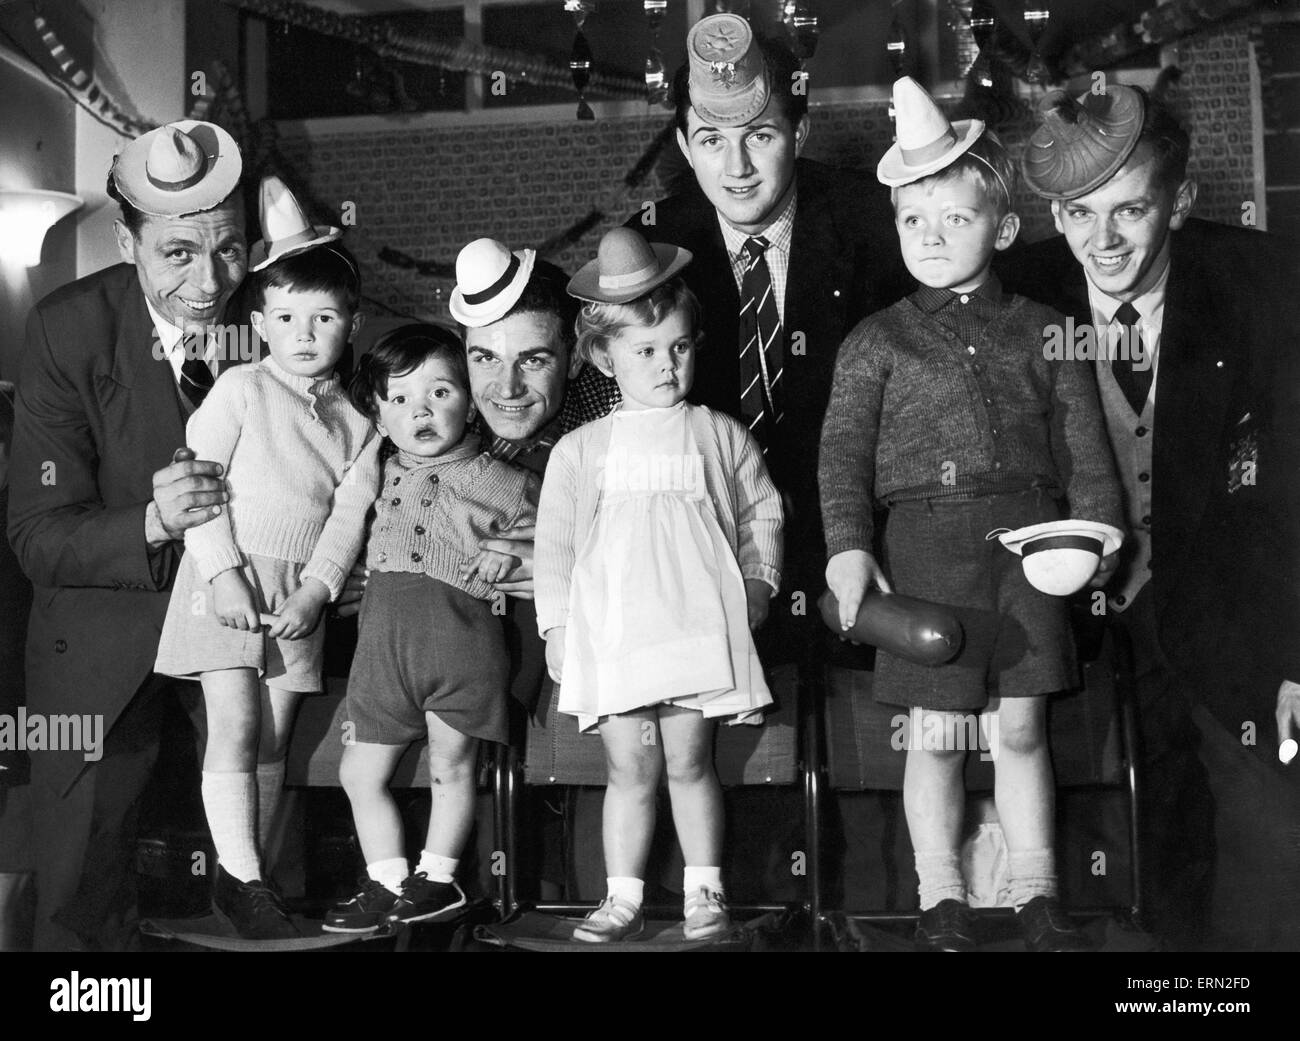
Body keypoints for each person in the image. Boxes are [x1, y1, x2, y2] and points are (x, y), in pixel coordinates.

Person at [819, 79, 1124, 952]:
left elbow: (1083, 448)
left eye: (954, 220)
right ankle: (941, 892)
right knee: (940, 733)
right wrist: (847, 551)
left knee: (1024, 727)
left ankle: (1035, 890)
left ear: (1002, 227)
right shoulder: (874, 340)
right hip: (924, 552)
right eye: (915, 222)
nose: (931, 238)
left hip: (1032, 547)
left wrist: (1098, 529)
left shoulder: (1051, 327)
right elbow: (840, 457)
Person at [1003, 84, 1300, 948]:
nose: (1103, 242)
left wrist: (1292, 658)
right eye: (1078, 213)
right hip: (1068, 626)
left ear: (1182, 201)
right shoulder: (1014, 294)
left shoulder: (1266, 285)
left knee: (1272, 841)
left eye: (1131, 210)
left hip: (1229, 609)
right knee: (1103, 858)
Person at [7, 121, 251, 951]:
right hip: (99, 649)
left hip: (245, 641)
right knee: (79, 904)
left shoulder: (279, 311)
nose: (209, 279)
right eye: (179, 253)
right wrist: (152, 519)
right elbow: (37, 536)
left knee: (265, 884)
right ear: (127, 241)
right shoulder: (66, 329)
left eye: (228, 250)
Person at [629, 14, 910, 672]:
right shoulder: (650, 247)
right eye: (711, 139)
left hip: (858, 547)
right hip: (705, 560)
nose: (737, 167)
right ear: (683, 142)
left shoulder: (879, 224)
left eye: (760, 134)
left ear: (800, 131)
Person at [536, 227, 784, 942]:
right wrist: (556, 625)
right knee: (629, 766)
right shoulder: (582, 449)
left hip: (696, 630)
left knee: (689, 759)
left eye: (679, 346)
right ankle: (622, 895)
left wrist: (760, 578)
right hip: (617, 633)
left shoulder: (717, 431)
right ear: (605, 356)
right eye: (645, 351)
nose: (666, 364)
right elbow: (555, 542)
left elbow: (762, 509)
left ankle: (707, 892)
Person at [152, 176, 381, 938]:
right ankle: (245, 878)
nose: (305, 332)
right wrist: (221, 573)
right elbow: (198, 486)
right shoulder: (241, 388)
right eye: (286, 316)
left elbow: (348, 518)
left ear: (351, 323)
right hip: (230, 577)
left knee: (275, 737)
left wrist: (317, 590)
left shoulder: (356, 422)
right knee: (237, 722)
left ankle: (248, 872)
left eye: (324, 317)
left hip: (296, 595)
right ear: (261, 320)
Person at [322, 325, 538, 934]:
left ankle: (438, 879)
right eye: (398, 398)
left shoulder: (505, 477)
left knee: (452, 766)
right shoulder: (378, 468)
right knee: (357, 773)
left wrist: (516, 554)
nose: (419, 410)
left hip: (462, 644)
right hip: (381, 651)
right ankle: (388, 881)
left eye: (440, 392)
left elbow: (567, 535)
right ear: (379, 413)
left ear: (471, 401)